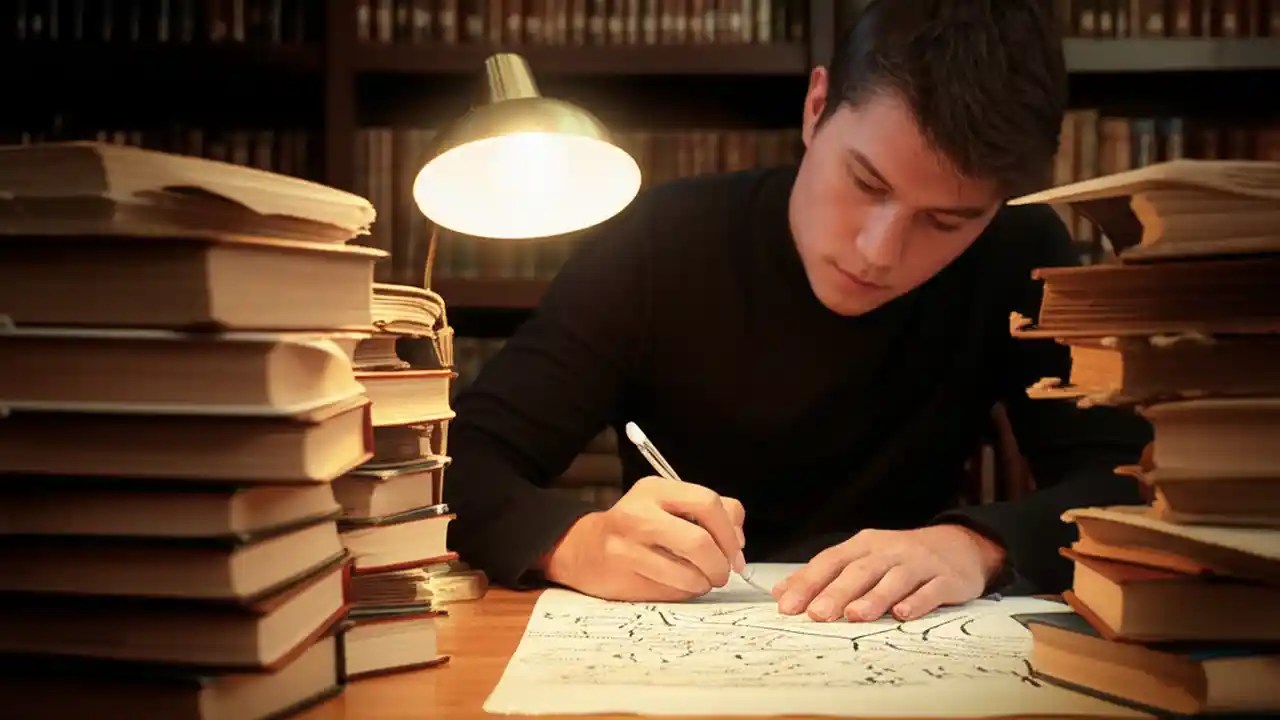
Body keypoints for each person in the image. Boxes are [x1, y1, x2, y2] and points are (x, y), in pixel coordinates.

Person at [441, 0, 1152, 623]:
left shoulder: (1016, 252)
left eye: (946, 221)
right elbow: (461, 461)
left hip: (904, 651)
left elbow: (1130, 482)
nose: (878, 252)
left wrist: (979, 547)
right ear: (816, 109)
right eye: (865, 181)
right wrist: (572, 543)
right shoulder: (661, 242)